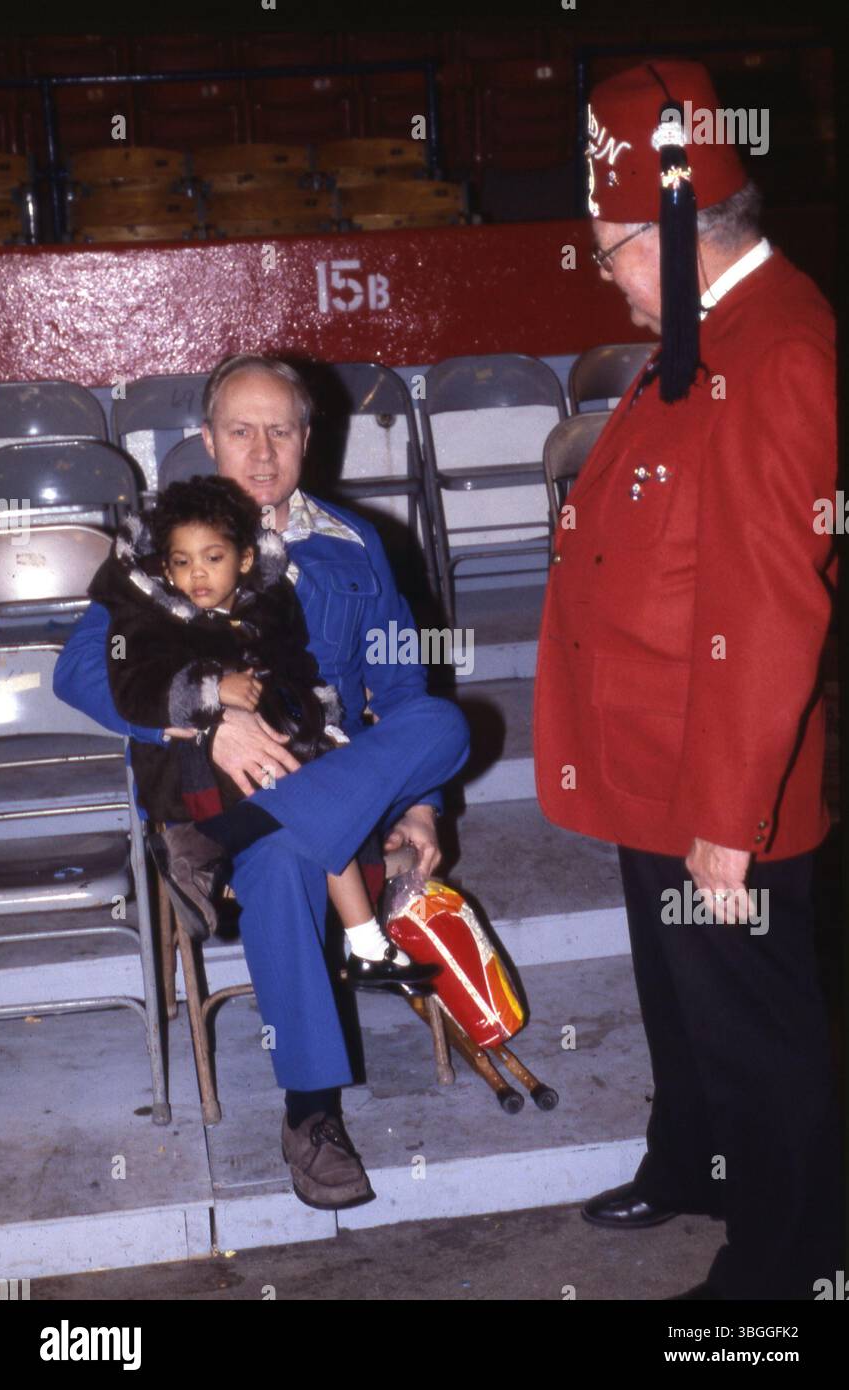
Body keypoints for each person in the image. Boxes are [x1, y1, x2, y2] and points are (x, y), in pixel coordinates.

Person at [533, 59, 841, 1299]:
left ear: (661, 232)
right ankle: (694, 1159)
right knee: (681, 997)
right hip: (652, 745)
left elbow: (770, 602)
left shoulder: (778, 353)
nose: (602, 273)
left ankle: (786, 1259)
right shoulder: (705, 333)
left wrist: (730, 819)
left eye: (607, 250)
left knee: (752, 1025)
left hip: (720, 774)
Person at [55, 353, 470, 1212]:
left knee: (446, 725)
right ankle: (311, 1114)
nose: (262, 449)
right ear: (207, 441)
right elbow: (80, 675)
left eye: (281, 428)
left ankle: (320, 826)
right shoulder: (162, 546)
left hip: (337, 780)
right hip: (220, 801)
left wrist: (419, 810)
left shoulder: (357, 547)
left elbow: (399, 687)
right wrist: (206, 715)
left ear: (310, 439)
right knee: (285, 863)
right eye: (240, 430)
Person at [87, 471, 440, 994]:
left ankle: (360, 943)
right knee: (306, 827)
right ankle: (357, 942)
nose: (197, 575)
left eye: (212, 558)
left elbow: (350, 668)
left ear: (245, 559)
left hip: (287, 763)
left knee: (439, 729)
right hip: (195, 775)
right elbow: (123, 685)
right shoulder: (146, 614)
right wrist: (209, 695)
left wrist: (420, 802)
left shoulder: (303, 578)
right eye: (181, 563)